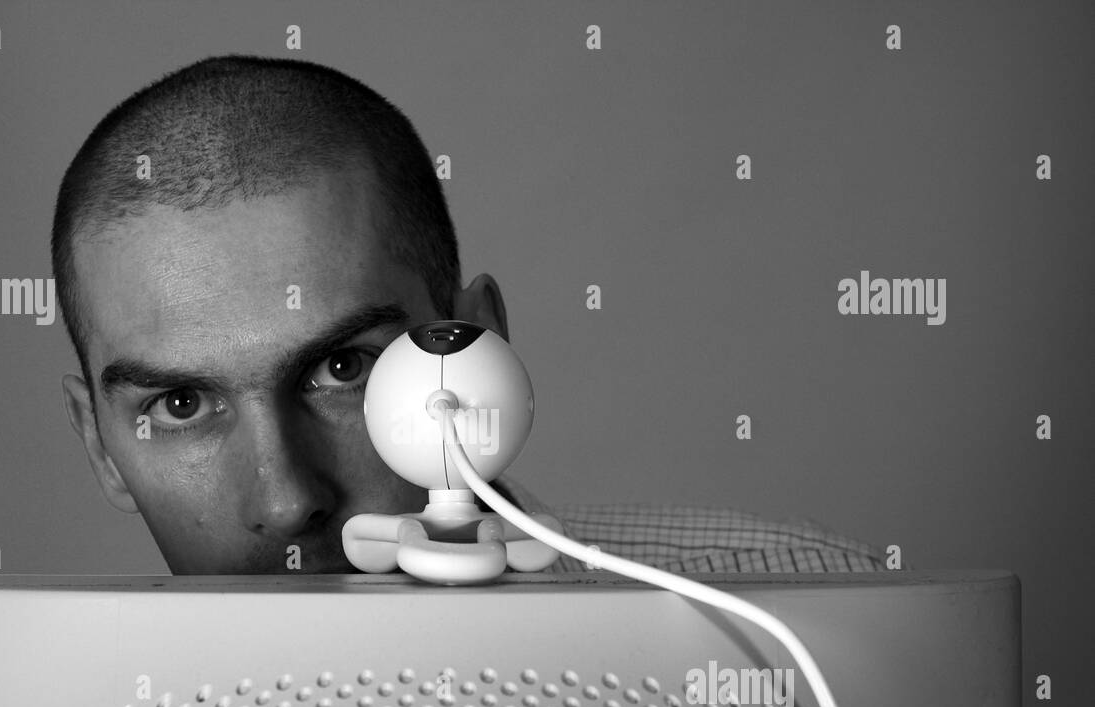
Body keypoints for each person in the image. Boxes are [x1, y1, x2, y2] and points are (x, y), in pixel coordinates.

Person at [53, 55, 889, 576]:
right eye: (182, 405)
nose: (285, 499)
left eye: (345, 369)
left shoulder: (806, 624)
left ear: (479, 347)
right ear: (103, 449)